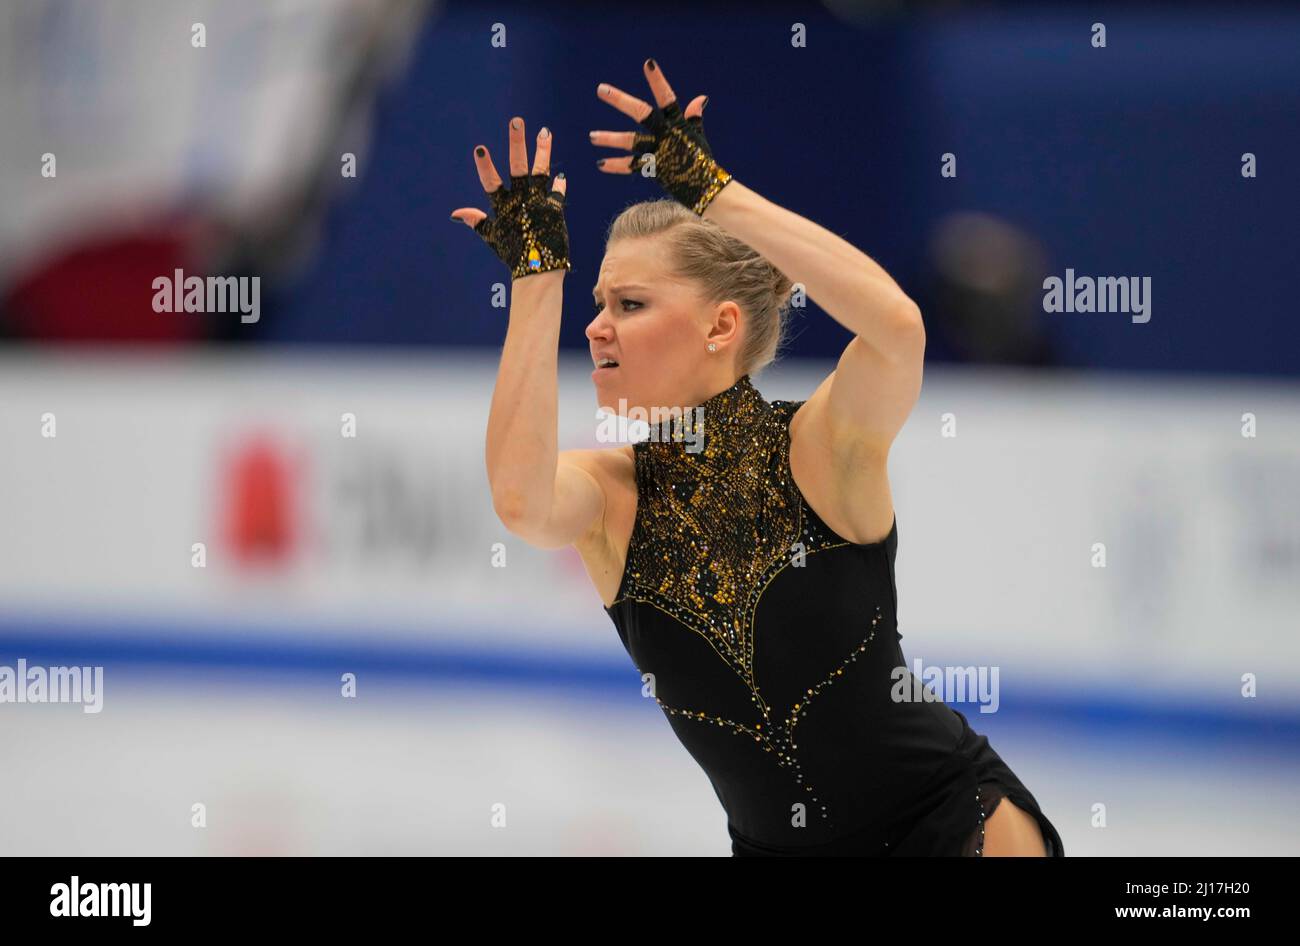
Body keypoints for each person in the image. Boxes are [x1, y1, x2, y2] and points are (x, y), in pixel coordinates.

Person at [452, 58, 1063, 857]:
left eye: (631, 305)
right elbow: (519, 499)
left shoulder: (817, 448)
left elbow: (896, 330)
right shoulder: (607, 496)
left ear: (720, 327)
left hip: (948, 827)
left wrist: (714, 192)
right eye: (599, 304)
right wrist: (537, 280)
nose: (598, 327)